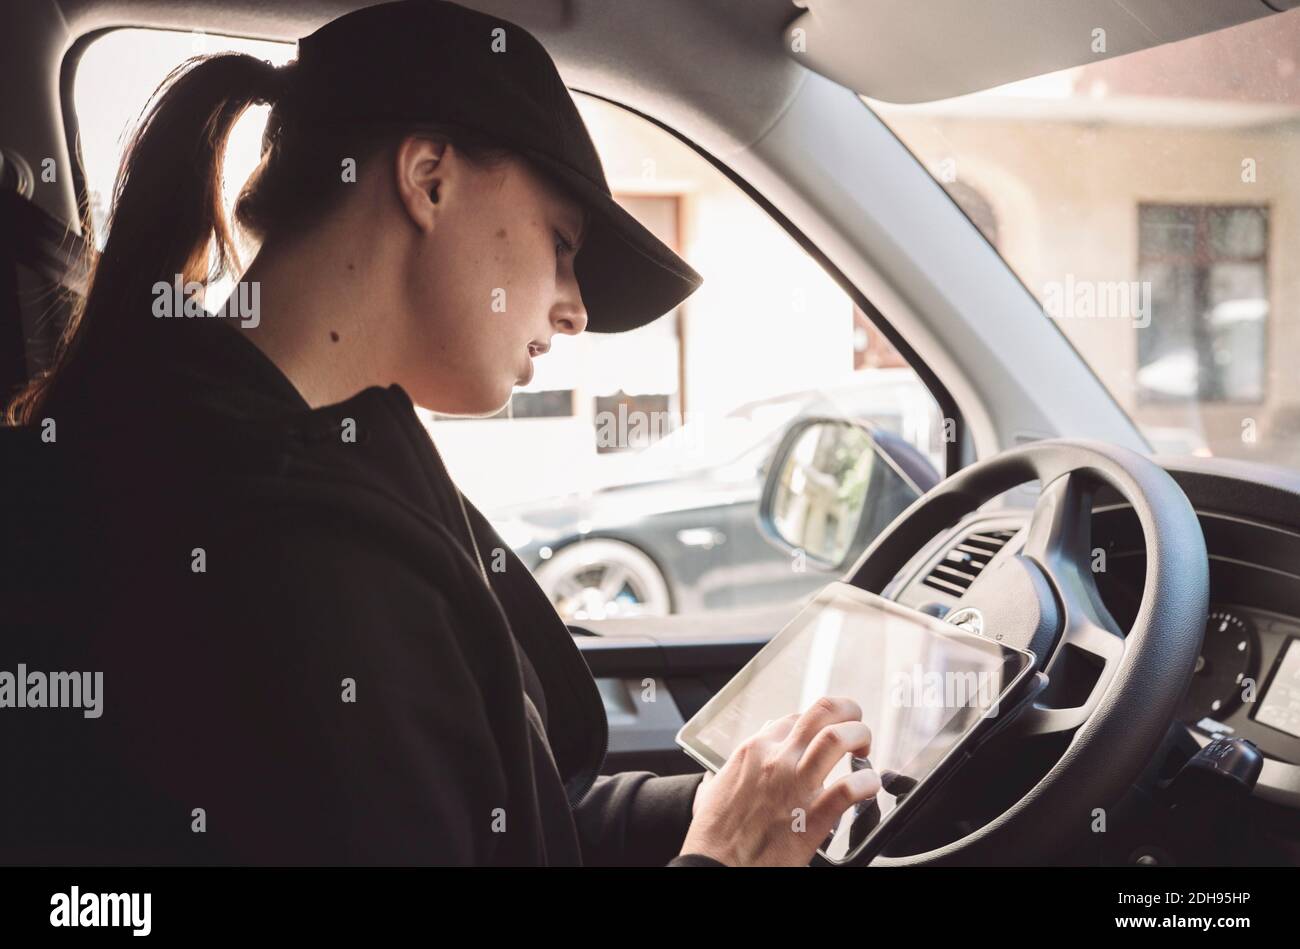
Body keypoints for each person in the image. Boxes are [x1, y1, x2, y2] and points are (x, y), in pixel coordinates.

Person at [0, 0, 880, 866]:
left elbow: (515, 816)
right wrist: (723, 858)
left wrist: (724, 803)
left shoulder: (273, 460)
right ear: (428, 179)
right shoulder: (282, 548)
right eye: (562, 245)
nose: (572, 312)